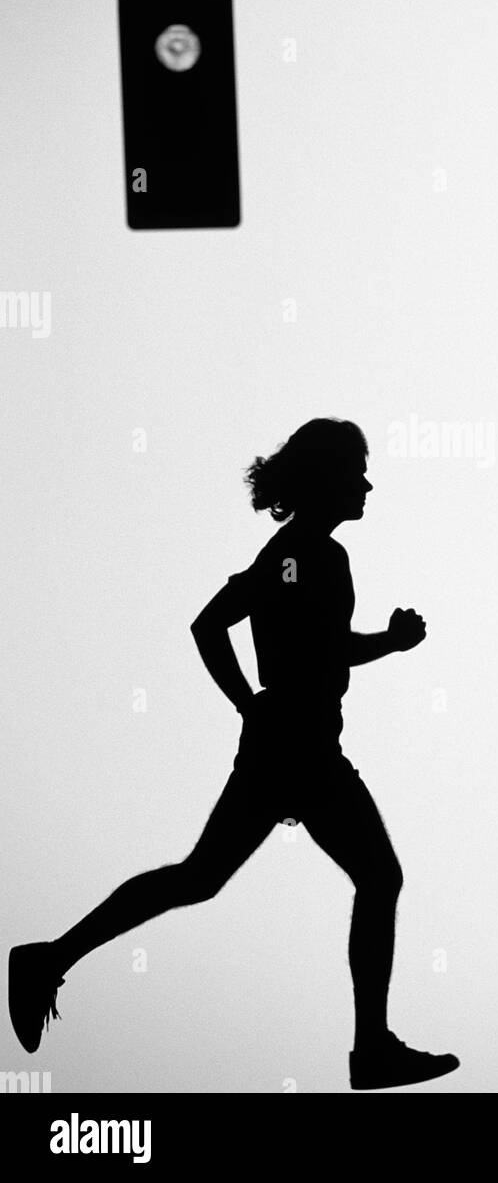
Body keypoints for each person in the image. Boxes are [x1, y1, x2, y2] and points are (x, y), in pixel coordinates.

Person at [8, 418, 459, 1090]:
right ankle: (369, 1050)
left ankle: (50, 957)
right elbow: (214, 623)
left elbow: (307, 645)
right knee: (378, 878)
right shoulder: (304, 552)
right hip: (297, 749)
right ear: (327, 480)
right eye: (355, 471)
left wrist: (382, 646)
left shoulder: (298, 554)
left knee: (199, 877)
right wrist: (250, 702)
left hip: (289, 746)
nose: (366, 483)